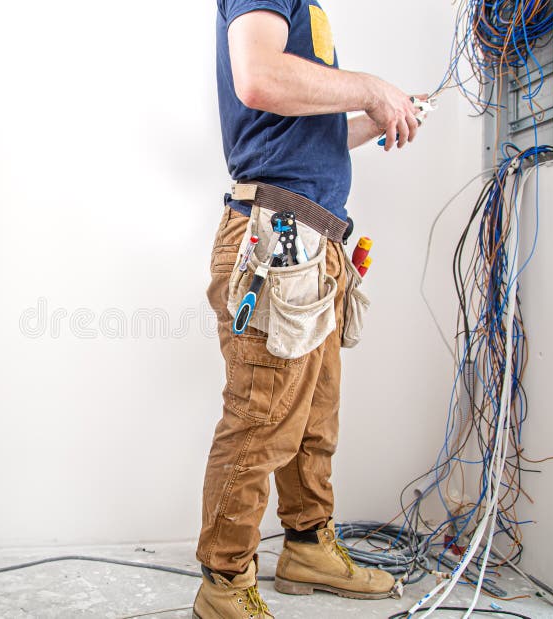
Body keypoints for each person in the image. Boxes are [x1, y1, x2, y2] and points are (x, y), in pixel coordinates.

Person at [193, 2, 425, 617]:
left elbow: (299, 126)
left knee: (313, 419)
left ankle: (306, 547)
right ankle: (223, 584)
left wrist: (374, 116)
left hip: (314, 242)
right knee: (261, 418)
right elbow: (259, 77)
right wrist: (371, 86)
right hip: (275, 238)